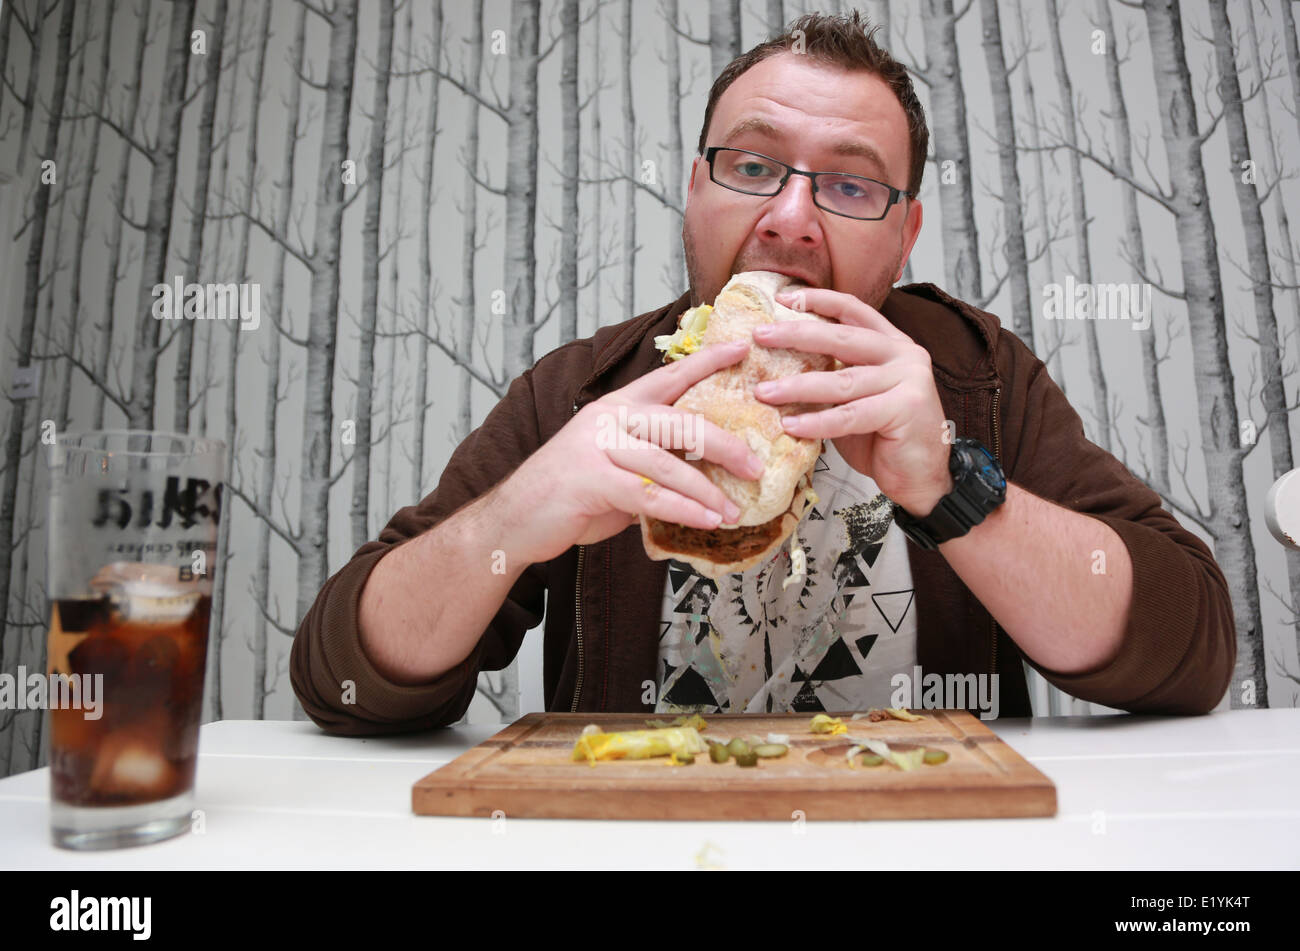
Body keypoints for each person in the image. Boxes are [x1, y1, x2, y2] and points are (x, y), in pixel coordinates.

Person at [291, 13, 1234, 734]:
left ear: (904, 235)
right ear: (696, 191)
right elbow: (346, 682)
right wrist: (518, 516)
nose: (789, 219)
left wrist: (952, 490)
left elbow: (1190, 651)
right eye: (752, 165)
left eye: (851, 186)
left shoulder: (978, 377)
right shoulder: (584, 389)